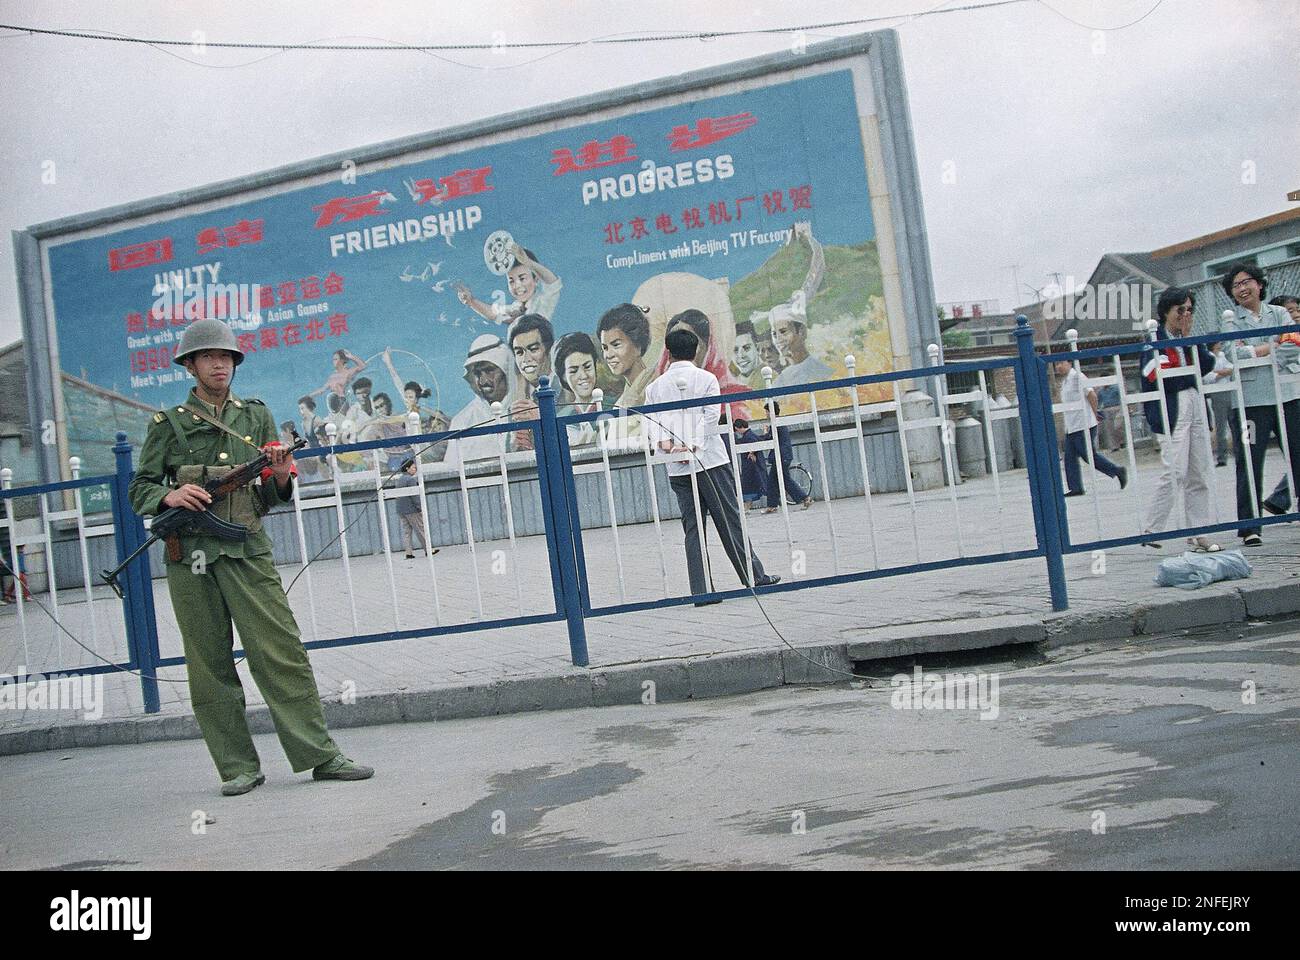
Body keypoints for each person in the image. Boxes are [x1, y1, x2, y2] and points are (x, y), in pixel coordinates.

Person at [127, 317, 372, 796]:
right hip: (192, 559)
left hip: (246, 549)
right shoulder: (168, 425)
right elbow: (141, 485)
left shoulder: (254, 415)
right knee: (209, 664)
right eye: (209, 357)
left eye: (226, 357)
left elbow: (269, 494)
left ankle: (320, 755)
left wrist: (281, 476)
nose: (220, 364)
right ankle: (238, 767)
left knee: (280, 652)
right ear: (191, 365)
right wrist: (169, 497)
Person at [644, 327, 781, 604]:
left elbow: (651, 423)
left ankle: (702, 590)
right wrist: (692, 446)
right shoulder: (706, 379)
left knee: (692, 527)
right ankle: (753, 577)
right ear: (695, 352)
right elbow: (710, 417)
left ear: (668, 353)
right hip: (711, 462)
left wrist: (671, 447)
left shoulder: (654, 388)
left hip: (678, 468)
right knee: (730, 520)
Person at [1220, 262, 1300, 545]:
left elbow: (1294, 344)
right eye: (1236, 285)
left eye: (1247, 282)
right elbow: (1233, 355)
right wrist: (1269, 347)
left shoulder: (1278, 313)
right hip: (1250, 403)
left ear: (1260, 284)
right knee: (1249, 462)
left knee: (1298, 455)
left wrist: (1256, 352)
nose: (1243, 288)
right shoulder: (1231, 320)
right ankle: (1250, 525)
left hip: (1287, 396)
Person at [1138, 287, 1220, 552]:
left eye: (1188, 310)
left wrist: (1188, 340)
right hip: (1172, 409)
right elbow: (1158, 375)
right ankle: (1153, 527)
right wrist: (1185, 370)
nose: (1185, 315)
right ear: (1166, 312)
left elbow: (1207, 364)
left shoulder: (1191, 340)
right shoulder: (1153, 340)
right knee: (1175, 469)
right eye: (1179, 310)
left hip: (1195, 403)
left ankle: (1200, 530)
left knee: (1199, 470)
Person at [653, 309, 750, 423]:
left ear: (708, 348)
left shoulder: (731, 397)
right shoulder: (657, 389)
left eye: (689, 343)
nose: (682, 349)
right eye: (675, 345)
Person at [1056, 358, 1128, 496]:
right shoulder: (1065, 381)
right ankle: (1076, 487)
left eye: (1061, 363)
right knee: (1070, 457)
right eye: (1056, 364)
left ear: (1069, 363)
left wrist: (1095, 414)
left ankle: (1117, 470)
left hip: (1084, 424)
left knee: (1088, 455)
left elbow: (1092, 395)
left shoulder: (1077, 376)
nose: (1058, 366)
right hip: (1072, 427)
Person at [444, 334, 513, 469]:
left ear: (506, 370)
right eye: (478, 374)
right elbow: (451, 470)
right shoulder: (462, 421)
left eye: (489, 371)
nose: (483, 381)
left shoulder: (525, 409)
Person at [456, 243, 562, 325]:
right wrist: (471, 301)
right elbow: (494, 313)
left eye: (522, 278)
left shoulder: (543, 300)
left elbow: (552, 282)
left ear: (536, 279)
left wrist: (529, 263)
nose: (517, 285)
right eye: (511, 280)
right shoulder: (516, 307)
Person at [507, 314, 555, 451]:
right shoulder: (517, 404)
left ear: (549, 350)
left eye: (533, 349)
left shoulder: (568, 388)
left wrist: (542, 419)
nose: (526, 359)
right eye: (519, 352)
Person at [597, 303, 655, 409]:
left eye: (616, 345)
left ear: (638, 345)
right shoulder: (619, 406)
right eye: (605, 348)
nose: (608, 355)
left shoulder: (656, 384)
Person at [759, 400, 813, 513]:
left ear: (771, 412)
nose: (766, 415)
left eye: (767, 412)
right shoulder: (779, 422)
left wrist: (765, 432)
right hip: (783, 456)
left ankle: (805, 498)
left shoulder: (776, 423)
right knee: (773, 481)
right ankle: (772, 505)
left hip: (781, 456)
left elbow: (768, 439)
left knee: (784, 479)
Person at [553, 331, 601, 447]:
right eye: (573, 371)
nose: (583, 376)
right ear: (563, 376)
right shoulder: (560, 418)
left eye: (587, 367)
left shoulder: (615, 405)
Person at [770, 305, 833, 387]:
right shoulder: (780, 380)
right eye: (774, 334)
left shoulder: (821, 371)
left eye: (783, 331)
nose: (778, 339)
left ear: (802, 332)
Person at [393, 461, 435, 559]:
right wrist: (419, 507)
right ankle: (428, 550)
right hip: (411, 509)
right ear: (407, 468)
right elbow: (414, 495)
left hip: (401, 510)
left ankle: (409, 552)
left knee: (407, 532)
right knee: (420, 529)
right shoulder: (410, 480)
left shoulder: (399, 480)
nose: (415, 469)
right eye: (413, 467)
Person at [1205, 343, 1235, 467]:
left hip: (1230, 390)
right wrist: (1224, 372)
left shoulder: (1223, 355)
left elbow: (1232, 369)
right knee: (1221, 426)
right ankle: (1222, 457)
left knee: (1239, 424)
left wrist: (1218, 372)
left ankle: (1244, 450)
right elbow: (1209, 377)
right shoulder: (1209, 357)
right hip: (1217, 393)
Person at [730, 418, 768, 509]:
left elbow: (755, 443)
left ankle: (748, 504)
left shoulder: (748, 436)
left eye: (737, 429)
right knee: (761, 483)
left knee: (754, 485)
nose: (737, 432)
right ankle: (749, 503)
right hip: (754, 465)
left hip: (752, 466)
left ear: (740, 427)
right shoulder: (749, 434)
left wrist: (752, 452)